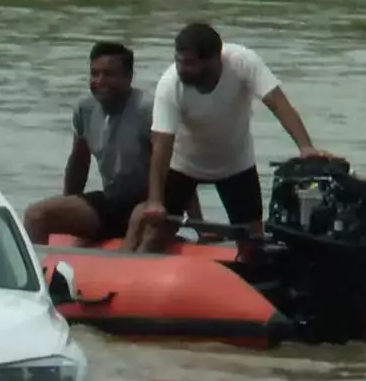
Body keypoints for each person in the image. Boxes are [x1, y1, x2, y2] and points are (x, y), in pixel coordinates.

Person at [138, 22, 330, 256]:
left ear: (213, 60)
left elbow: (278, 103)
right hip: (184, 165)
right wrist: (155, 200)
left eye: (189, 63)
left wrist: (305, 146)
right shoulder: (170, 85)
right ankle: (138, 273)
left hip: (236, 164)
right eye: (178, 61)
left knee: (252, 240)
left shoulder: (243, 62)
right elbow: (161, 144)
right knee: (155, 234)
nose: (181, 68)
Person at [23, 41, 202, 247]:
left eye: (109, 74)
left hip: (152, 204)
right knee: (35, 215)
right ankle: (42, 273)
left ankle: (129, 262)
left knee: (136, 226)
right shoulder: (85, 108)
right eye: (95, 74)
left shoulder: (148, 110)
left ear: (128, 77)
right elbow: (79, 162)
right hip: (112, 201)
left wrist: (197, 222)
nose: (100, 81)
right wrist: (69, 206)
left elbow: (179, 167)